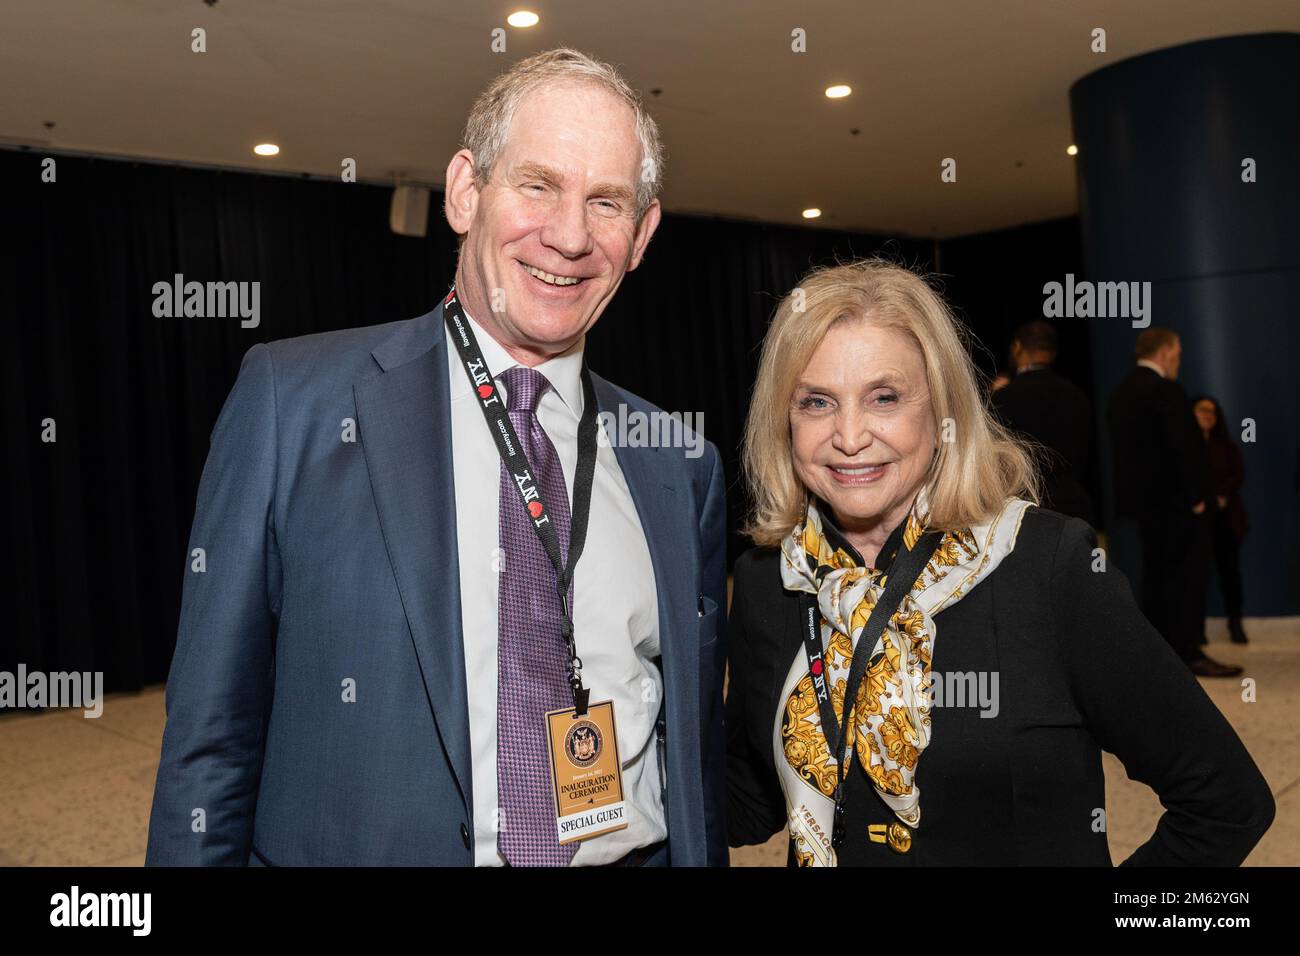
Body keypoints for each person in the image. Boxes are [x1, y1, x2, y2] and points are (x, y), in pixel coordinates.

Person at [146, 48, 729, 867]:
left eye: (607, 202)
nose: (568, 236)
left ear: (642, 235)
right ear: (465, 191)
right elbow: (211, 740)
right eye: (537, 185)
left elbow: (691, 751)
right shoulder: (295, 406)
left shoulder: (679, 464)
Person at [725, 260, 1273, 866]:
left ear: (943, 411)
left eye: (885, 397)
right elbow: (750, 796)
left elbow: (1226, 801)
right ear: (784, 421)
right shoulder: (767, 580)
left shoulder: (1048, 566)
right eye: (817, 402)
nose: (850, 435)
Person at [1106, 329, 1240, 677]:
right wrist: (1197, 498)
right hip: (1178, 509)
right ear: (1165, 353)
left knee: (1154, 581)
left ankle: (1158, 656)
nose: (1179, 361)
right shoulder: (1166, 391)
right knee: (1185, 582)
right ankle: (1188, 653)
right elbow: (1184, 450)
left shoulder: (1120, 394)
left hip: (1141, 510)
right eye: (1177, 354)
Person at [991, 320, 1095, 525]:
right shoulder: (1077, 396)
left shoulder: (1003, 399)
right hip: (1074, 510)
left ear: (1017, 347)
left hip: (1024, 511)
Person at [1192, 395, 1250, 644]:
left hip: (1226, 519)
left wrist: (1222, 495)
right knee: (1196, 576)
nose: (1208, 415)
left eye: (1212, 412)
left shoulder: (1226, 445)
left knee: (1230, 574)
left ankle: (1235, 623)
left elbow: (1238, 473)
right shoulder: (1186, 445)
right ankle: (1196, 630)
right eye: (1202, 410)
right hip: (1198, 519)